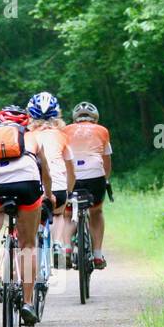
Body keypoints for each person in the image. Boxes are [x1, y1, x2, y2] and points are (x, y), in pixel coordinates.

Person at [0, 104, 52, 327]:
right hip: (27, 183)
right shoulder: (32, 137)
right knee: (28, 245)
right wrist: (49, 196)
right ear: (25, 123)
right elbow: (46, 173)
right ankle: (28, 302)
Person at [24, 92, 74, 268]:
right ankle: (58, 243)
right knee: (59, 213)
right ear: (56, 114)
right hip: (57, 186)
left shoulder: (26, 134)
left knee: (30, 221)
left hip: (30, 186)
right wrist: (69, 191)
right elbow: (70, 167)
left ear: (29, 114)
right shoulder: (62, 135)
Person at [63, 100, 112, 269]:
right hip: (94, 176)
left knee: (67, 214)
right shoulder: (102, 131)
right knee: (96, 211)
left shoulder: (64, 130)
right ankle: (97, 255)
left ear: (75, 118)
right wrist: (105, 180)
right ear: (95, 118)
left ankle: (67, 250)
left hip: (71, 176)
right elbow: (106, 162)